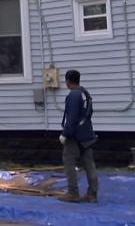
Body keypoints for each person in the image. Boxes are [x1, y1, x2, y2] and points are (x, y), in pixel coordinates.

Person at [58, 69, 98, 203]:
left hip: (75, 137)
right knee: (89, 164)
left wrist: (65, 134)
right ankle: (92, 194)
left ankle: (72, 193)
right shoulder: (85, 94)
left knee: (69, 162)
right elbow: (88, 114)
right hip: (87, 135)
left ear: (68, 81)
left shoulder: (73, 95)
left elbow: (72, 117)